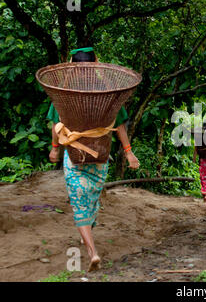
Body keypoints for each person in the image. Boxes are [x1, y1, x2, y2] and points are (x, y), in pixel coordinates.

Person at [47, 47, 139, 272]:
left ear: (71, 65)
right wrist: (128, 152)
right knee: (91, 197)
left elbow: (56, 124)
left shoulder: (63, 92)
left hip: (74, 156)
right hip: (100, 155)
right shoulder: (107, 92)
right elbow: (119, 126)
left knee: (80, 202)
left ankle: (89, 245)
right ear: (96, 64)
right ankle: (91, 250)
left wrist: (55, 149)